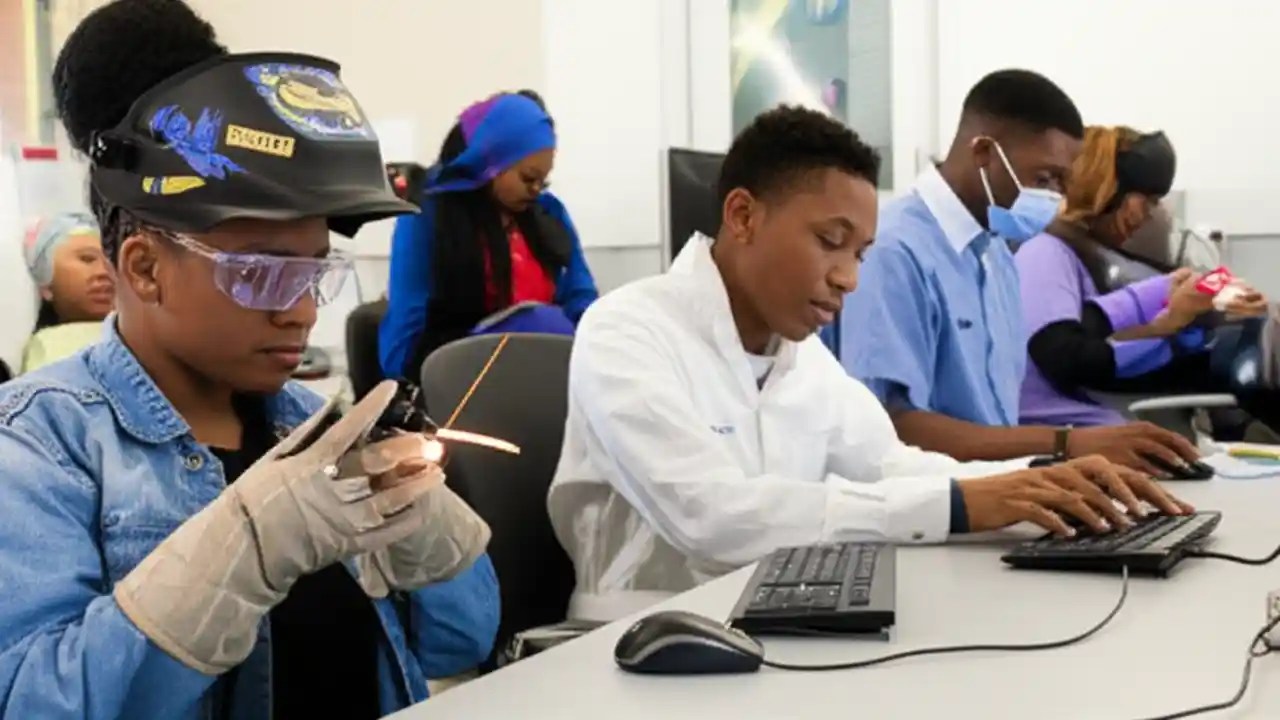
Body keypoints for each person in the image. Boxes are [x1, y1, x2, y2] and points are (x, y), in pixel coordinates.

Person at [0, 1, 497, 718]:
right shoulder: (38, 447)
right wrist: (246, 545)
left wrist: (426, 530)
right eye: (262, 272)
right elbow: (32, 702)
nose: (299, 309)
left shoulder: (316, 429)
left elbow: (462, 642)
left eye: (313, 273)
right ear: (143, 268)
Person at [546, 105, 1191, 622]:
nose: (851, 277)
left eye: (861, 252)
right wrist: (963, 504)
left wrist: (1046, 478)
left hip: (778, 612)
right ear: (742, 215)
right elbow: (711, 515)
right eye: (831, 243)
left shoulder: (800, 355)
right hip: (644, 634)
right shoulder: (627, 331)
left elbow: (888, 463)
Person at [839, 69, 1200, 475]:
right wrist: (1067, 443)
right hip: (929, 511)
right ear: (984, 155)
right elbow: (890, 429)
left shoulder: (998, 258)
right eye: (1044, 178)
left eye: (1062, 183)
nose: (1054, 198)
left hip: (1002, 496)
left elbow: (996, 424)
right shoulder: (894, 253)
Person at [1016, 126, 1273, 428]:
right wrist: (1171, 322)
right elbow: (1069, 358)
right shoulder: (1044, 253)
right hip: (1071, 429)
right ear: (1109, 191)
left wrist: (1215, 309)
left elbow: (1110, 332)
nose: (1151, 214)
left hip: (1106, 416)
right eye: (1147, 200)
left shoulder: (1093, 257)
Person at [378, 91, 598, 380]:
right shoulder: (427, 217)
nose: (535, 191)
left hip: (549, 376)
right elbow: (403, 347)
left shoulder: (548, 213)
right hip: (459, 380)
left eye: (543, 182)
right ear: (491, 163)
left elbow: (583, 301)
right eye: (528, 178)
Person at [21, 211, 114, 372]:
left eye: (112, 261)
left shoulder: (148, 338)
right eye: (87, 259)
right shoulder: (48, 347)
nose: (105, 272)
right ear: (46, 285)